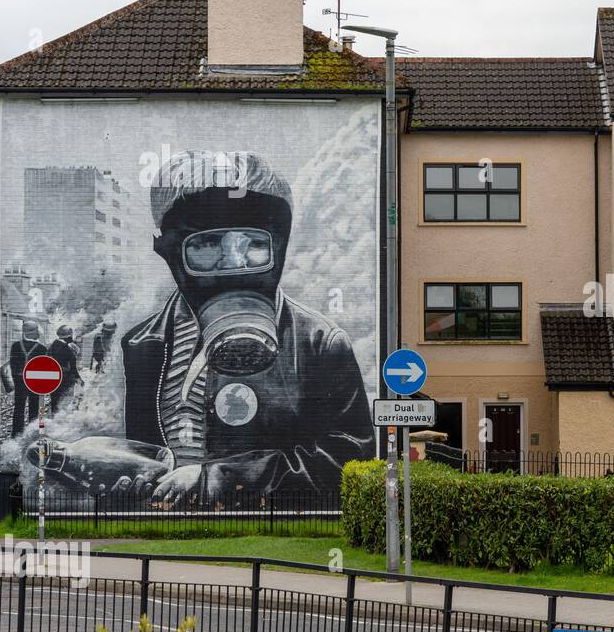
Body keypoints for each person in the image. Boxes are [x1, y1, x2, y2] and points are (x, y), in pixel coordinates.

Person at [122, 149, 373, 504]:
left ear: (279, 245)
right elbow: (144, 454)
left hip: (259, 529)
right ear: (169, 251)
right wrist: (132, 480)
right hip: (165, 530)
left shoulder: (320, 343)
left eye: (253, 244)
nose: (233, 264)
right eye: (208, 244)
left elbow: (350, 460)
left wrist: (222, 479)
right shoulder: (142, 345)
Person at [2, 320, 46, 435]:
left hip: (19, 381)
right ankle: (32, 432)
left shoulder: (15, 346)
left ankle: (16, 433)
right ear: (35, 333)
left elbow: (13, 364)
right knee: (34, 407)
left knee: (18, 408)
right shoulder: (42, 348)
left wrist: (16, 380)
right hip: (34, 381)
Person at [47, 324, 82, 411]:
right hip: (66, 380)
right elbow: (73, 367)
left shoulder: (52, 346)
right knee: (65, 403)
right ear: (68, 336)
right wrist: (79, 379)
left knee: (55, 402)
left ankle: (54, 418)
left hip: (53, 379)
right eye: (71, 335)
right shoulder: (67, 349)